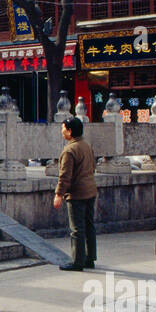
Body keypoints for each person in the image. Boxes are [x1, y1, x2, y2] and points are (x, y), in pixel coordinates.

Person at [53, 116, 97, 271]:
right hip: (90, 190)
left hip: (77, 194)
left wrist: (59, 194)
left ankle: (78, 261)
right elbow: (92, 166)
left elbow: (65, 176)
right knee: (89, 225)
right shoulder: (86, 145)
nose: (61, 131)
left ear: (70, 131)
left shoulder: (69, 150)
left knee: (77, 229)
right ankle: (89, 258)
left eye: (63, 128)